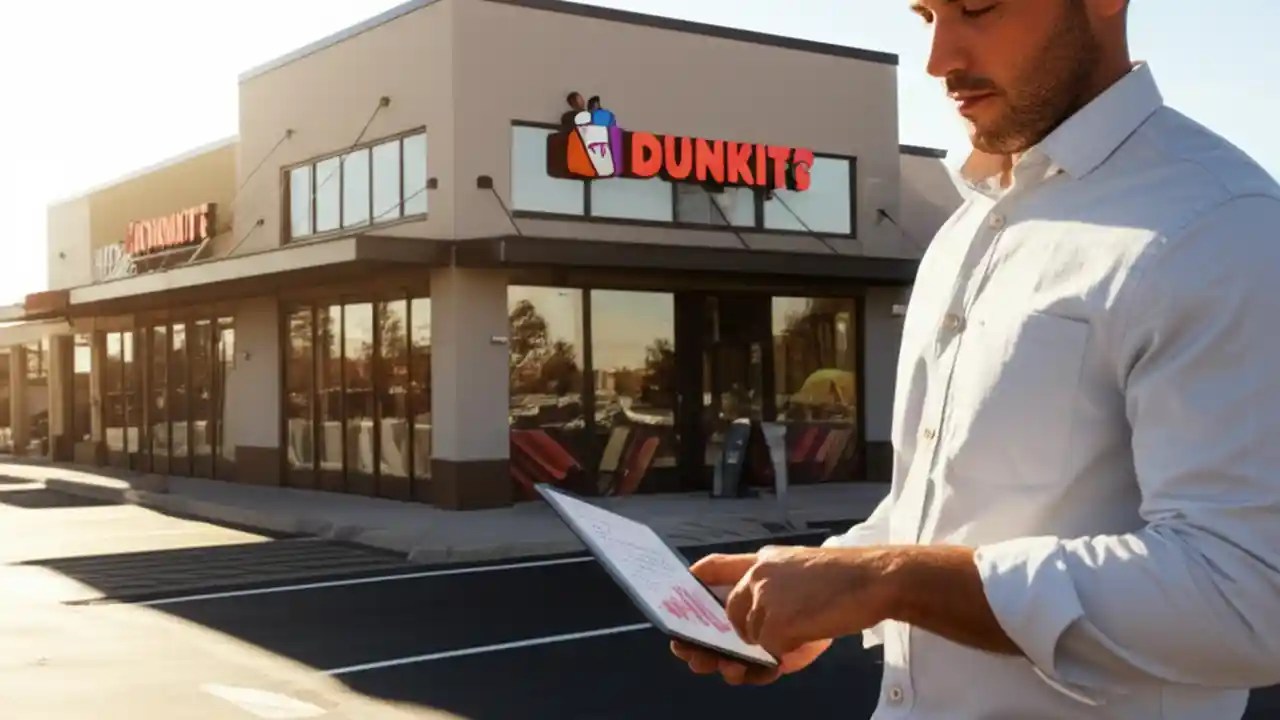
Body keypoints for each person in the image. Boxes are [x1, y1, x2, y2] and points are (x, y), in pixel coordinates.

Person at [671, 1, 1280, 718]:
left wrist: (887, 580)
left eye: (976, 7)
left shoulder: (1221, 226)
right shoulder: (966, 235)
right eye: (927, 13)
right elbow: (949, 507)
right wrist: (820, 582)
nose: (938, 58)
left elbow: (1248, 594)